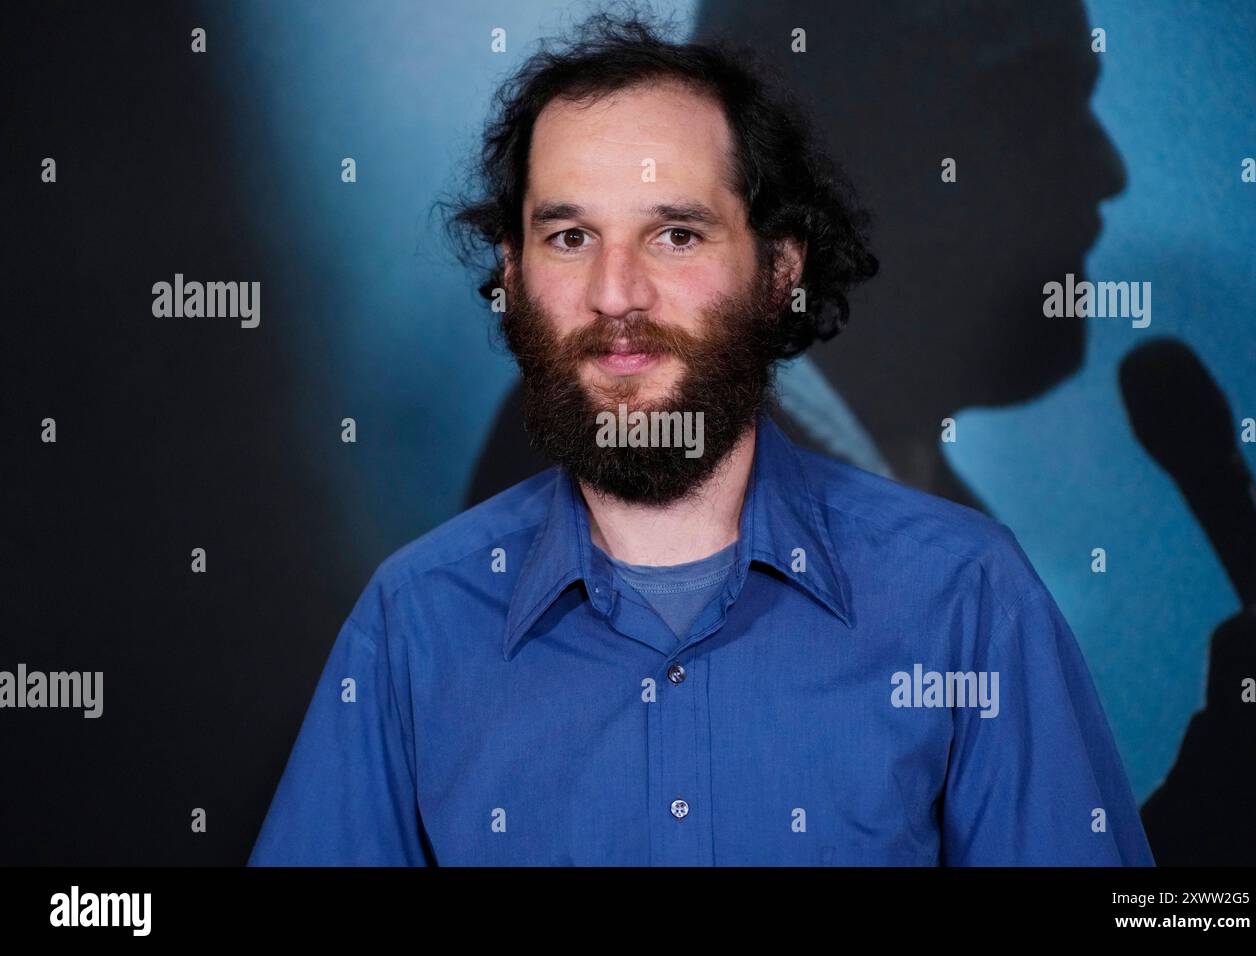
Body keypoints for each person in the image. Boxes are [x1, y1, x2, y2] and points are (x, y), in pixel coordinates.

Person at [247, 11, 1154, 866]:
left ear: (780, 269)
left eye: (676, 234)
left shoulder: (966, 594)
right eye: (570, 237)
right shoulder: (414, 622)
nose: (616, 293)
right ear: (512, 275)